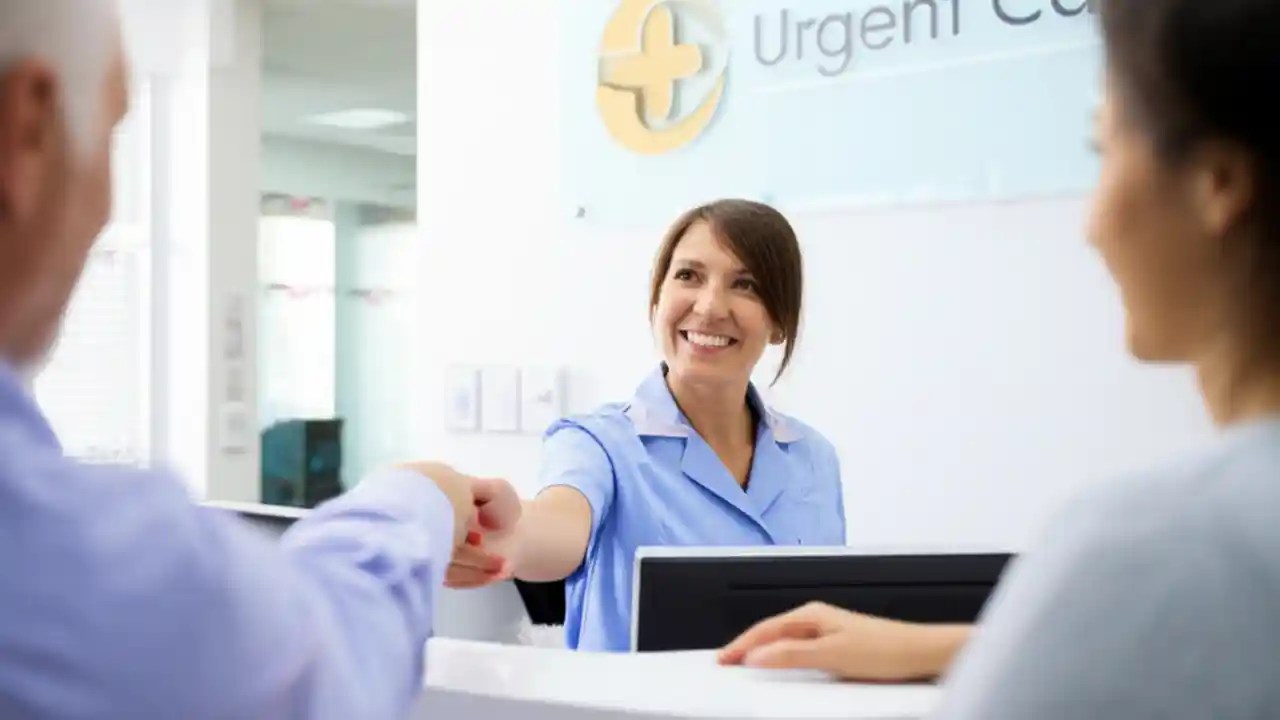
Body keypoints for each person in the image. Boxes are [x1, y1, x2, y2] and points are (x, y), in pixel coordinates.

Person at [722, 0, 1280, 716]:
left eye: (1102, 149)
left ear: (1217, 184)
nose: (1090, 225)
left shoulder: (1154, 548)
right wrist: (956, 646)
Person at [0, 2, 521, 717]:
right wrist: (418, 495)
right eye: (114, 131)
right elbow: (330, 654)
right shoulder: (74, 562)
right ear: (26, 129)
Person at [447, 199, 848, 652]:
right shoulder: (596, 444)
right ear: (657, 300)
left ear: (779, 321)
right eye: (688, 276)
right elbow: (557, 526)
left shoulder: (814, 458)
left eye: (746, 284)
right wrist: (508, 535)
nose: (711, 305)